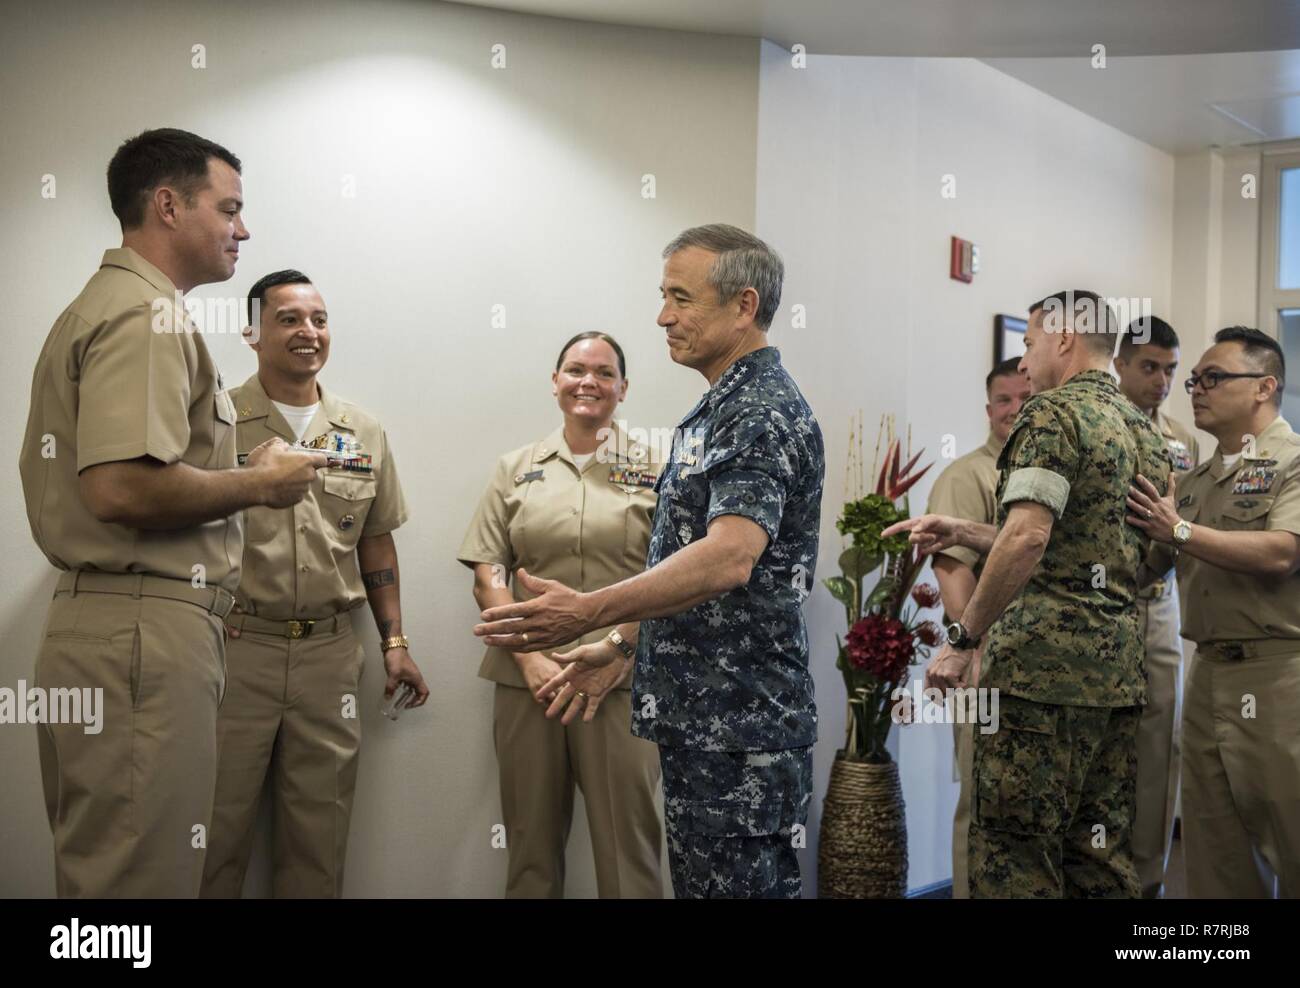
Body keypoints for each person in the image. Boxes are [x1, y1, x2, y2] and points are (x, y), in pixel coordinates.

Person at [474, 224, 824, 899]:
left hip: (739, 729)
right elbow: (687, 566)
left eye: (681, 298)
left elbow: (728, 559)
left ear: (744, 305)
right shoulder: (717, 410)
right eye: (664, 296)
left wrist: (586, 610)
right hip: (703, 722)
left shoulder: (757, 410)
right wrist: (620, 640)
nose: (663, 315)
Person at [19, 129, 325, 898]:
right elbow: (122, 489)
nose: (243, 230)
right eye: (229, 209)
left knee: (111, 881)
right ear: (167, 205)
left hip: (127, 632)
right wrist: (258, 484)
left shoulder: (120, 306)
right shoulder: (143, 316)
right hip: (140, 638)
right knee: (137, 888)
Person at [886, 290, 1170, 898]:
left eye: (1031, 342)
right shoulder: (1143, 431)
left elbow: (1029, 537)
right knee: (1098, 856)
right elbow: (1126, 551)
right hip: (1115, 677)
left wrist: (961, 641)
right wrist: (964, 529)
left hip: (1038, 683)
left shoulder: (1052, 414)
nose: (1024, 361)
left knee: (1017, 859)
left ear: (1065, 339)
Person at [200, 270, 427, 898]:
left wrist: (395, 641)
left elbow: (376, 540)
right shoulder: (216, 422)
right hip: (235, 646)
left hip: (329, 656)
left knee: (318, 840)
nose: (309, 332)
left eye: (319, 320)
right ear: (251, 332)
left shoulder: (363, 431)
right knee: (213, 833)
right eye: (290, 319)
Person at [457, 331, 665, 898]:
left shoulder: (660, 468)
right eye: (575, 369)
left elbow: (673, 578)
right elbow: (488, 575)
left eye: (603, 372)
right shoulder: (514, 469)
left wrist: (622, 646)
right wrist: (528, 661)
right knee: (529, 849)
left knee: (631, 852)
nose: (588, 381)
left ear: (623, 388)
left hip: (622, 681)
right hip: (530, 684)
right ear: (555, 383)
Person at [1127, 326, 1300, 898]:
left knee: (1291, 838)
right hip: (1207, 676)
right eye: (1195, 379)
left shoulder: (1293, 463)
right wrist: (991, 541)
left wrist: (1178, 527)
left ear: (1264, 387)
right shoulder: (1194, 482)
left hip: (1278, 677)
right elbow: (1142, 568)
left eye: (1213, 378)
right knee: (1216, 855)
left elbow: (1280, 553)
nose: (1194, 388)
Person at [923, 356, 1028, 899]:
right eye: (1004, 400)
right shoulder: (968, 475)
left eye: (1025, 399)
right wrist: (970, 647)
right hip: (981, 659)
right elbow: (951, 568)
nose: (1015, 409)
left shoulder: (1047, 470)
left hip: (1037, 666)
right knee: (981, 804)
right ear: (989, 410)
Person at [1112, 315, 1200, 898]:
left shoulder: (1182, 441)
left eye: (1171, 370)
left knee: (1158, 740)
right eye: (1149, 368)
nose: (1162, 382)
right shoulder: (1099, 426)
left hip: (1157, 601)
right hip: (1102, 605)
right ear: (1118, 364)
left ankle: (1147, 881)